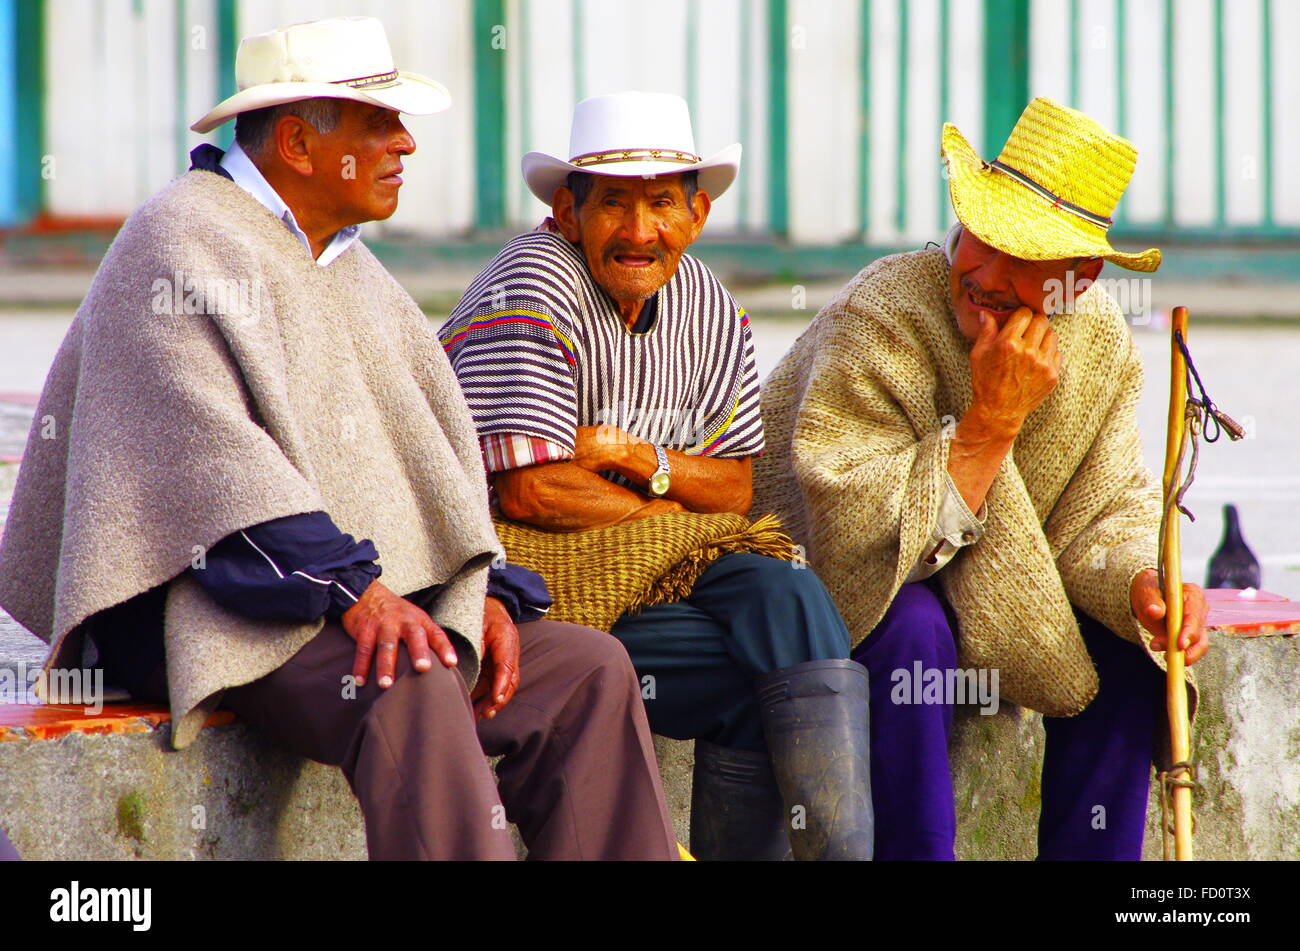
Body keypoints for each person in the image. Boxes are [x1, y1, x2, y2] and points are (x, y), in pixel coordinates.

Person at [0, 17, 678, 861]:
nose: (406, 146)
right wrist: (359, 592)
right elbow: (214, 479)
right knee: (412, 676)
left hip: (339, 594)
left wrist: (485, 590)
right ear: (298, 142)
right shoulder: (178, 240)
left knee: (588, 671)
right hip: (214, 611)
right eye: (380, 125)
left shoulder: (350, 266)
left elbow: (428, 469)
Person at [753, 97, 1210, 861]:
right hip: (839, 601)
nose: (985, 275)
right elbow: (845, 534)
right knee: (914, 629)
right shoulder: (885, 310)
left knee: (1134, 646)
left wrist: (1140, 582)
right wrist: (989, 425)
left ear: (1081, 276)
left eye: (1021, 257)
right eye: (978, 239)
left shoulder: (1100, 341)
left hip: (998, 606)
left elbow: (1106, 511)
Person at [438, 91, 873, 861]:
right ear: (569, 215)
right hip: (524, 588)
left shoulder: (710, 306)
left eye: (663, 204)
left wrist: (644, 461)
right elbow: (530, 491)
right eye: (614, 204)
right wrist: (672, 510)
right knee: (756, 683)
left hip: (658, 570)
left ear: (698, 214)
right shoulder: (531, 283)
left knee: (789, 591)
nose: (641, 232)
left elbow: (736, 490)